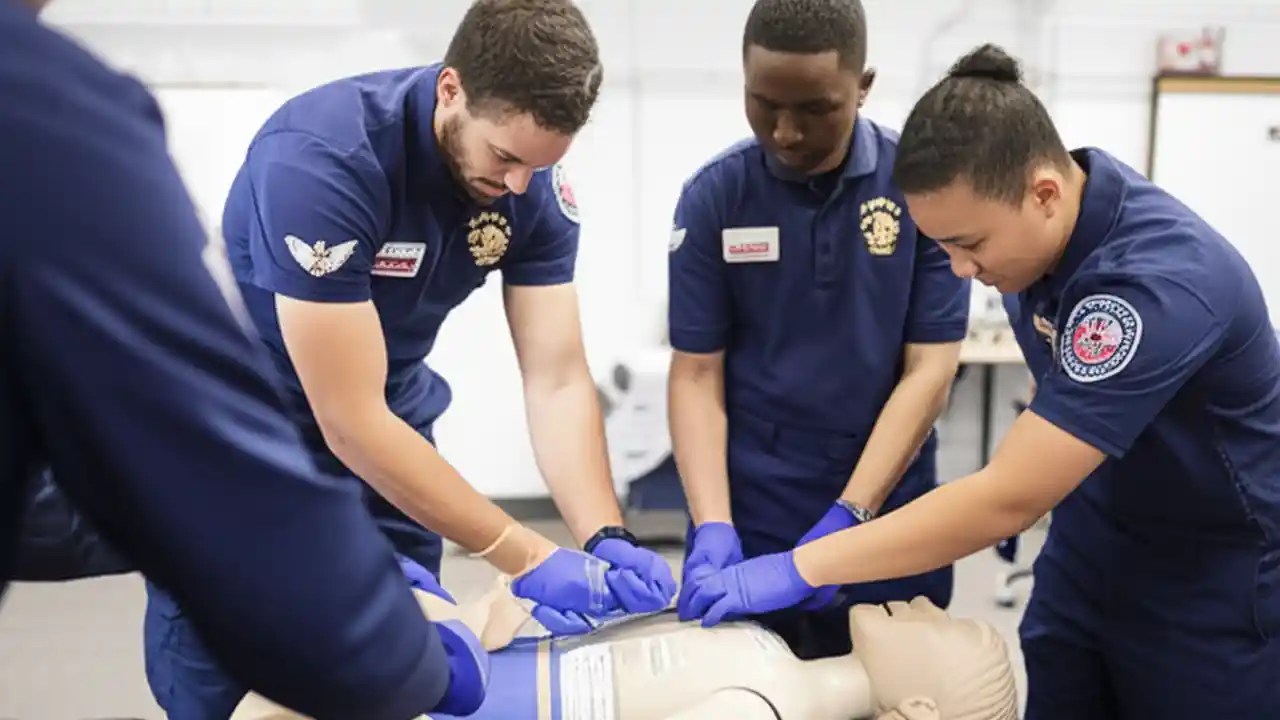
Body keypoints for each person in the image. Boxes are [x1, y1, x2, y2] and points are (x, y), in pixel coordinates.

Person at [683, 43, 1280, 720]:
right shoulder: (1035, 249)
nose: (960, 271)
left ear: (1044, 193)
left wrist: (803, 566)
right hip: (1089, 550)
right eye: (943, 247)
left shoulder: (1160, 286)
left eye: (970, 245)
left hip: (1210, 580)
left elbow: (1006, 499)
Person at [142, 0, 678, 717]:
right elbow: (346, 419)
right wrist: (524, 554)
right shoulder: (323, 162)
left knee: (406, 681)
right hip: (245, 451)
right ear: (451, 90)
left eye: (541, 165)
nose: (520, 185)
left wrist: (600, 536)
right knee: (242, 692)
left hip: (393, 431)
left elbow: (554, 378)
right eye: (506, 158)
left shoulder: (533, 186)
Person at [0, 0, 488, 717]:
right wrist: (401, 651)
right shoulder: (46, 118)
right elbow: (192, 462)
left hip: (329, 477)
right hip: (272, 469)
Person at [666, 0, 969, 660]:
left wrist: (850, 518)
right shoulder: (716, 197)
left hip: (885, 506)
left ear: (863, 87)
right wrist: (714, 523)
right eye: (763, 103)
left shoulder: (920, 185)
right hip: (755, 508)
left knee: (894, 688)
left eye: (815, 108)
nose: (785, 133)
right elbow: (695, 373)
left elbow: (932, 368)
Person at [231, 574, 1019, 720]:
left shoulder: (764, 709)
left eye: (951, 630)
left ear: (918, 710)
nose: (926, 605)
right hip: (472, 668)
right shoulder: (769, 661)